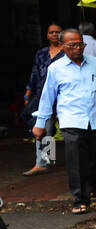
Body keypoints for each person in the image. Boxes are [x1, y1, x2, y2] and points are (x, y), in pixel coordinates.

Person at [32, 28, 96, 214]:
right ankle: (80, 199)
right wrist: (40, 124)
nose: (78, 48)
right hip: (72, 121)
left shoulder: (95, 63)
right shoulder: (55, 69)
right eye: (72, 45)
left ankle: (91, 180)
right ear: (63, 46)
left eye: (80, 44)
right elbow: (47, 98)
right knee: (76, 161)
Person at [22, 24, 64, 176]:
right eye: (51, 32)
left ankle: (49, 160)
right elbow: (34, 74)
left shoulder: (67, 52)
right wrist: (28, 94)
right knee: (44, 126)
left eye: (57, 32)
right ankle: (43, 162)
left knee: (60, 129)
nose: (54, 35)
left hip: (63, 96)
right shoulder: (41, 53)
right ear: (46, 35)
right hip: (43, 96)